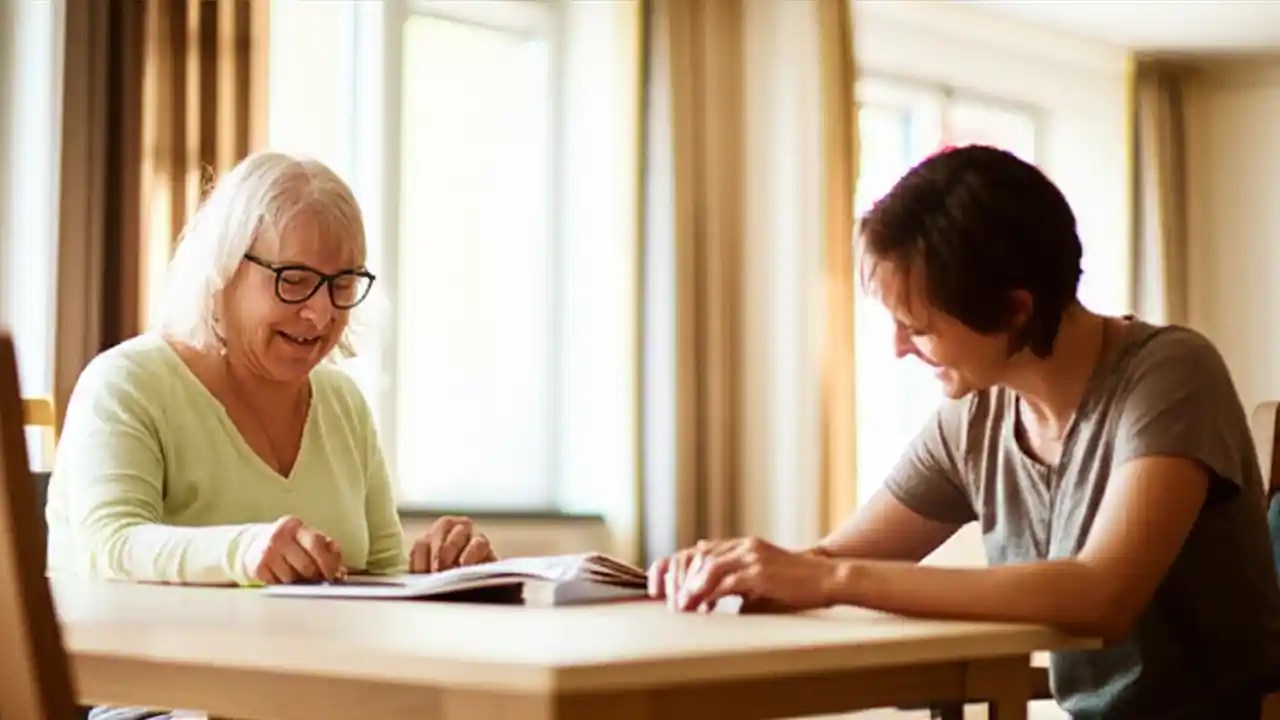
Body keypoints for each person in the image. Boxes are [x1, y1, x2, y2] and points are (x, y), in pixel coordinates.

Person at [649, 146, 1280, 718]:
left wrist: (824, 578)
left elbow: (1101, 595)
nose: (898, 348)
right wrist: (738, 573)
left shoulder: (1171, 373)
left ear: (1014, 310)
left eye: (919, 328)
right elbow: (836, 562)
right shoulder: (974, 415)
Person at [46, 151, 496, 589]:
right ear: (222, 268)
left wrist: (440, 571)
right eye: (294, 281)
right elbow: (109, 546)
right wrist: (246, 549)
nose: (320, 314)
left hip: (310, 665)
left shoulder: (343, 405)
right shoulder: (126, 384)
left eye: (341, 285)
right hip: (147, 664)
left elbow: (381, 574)